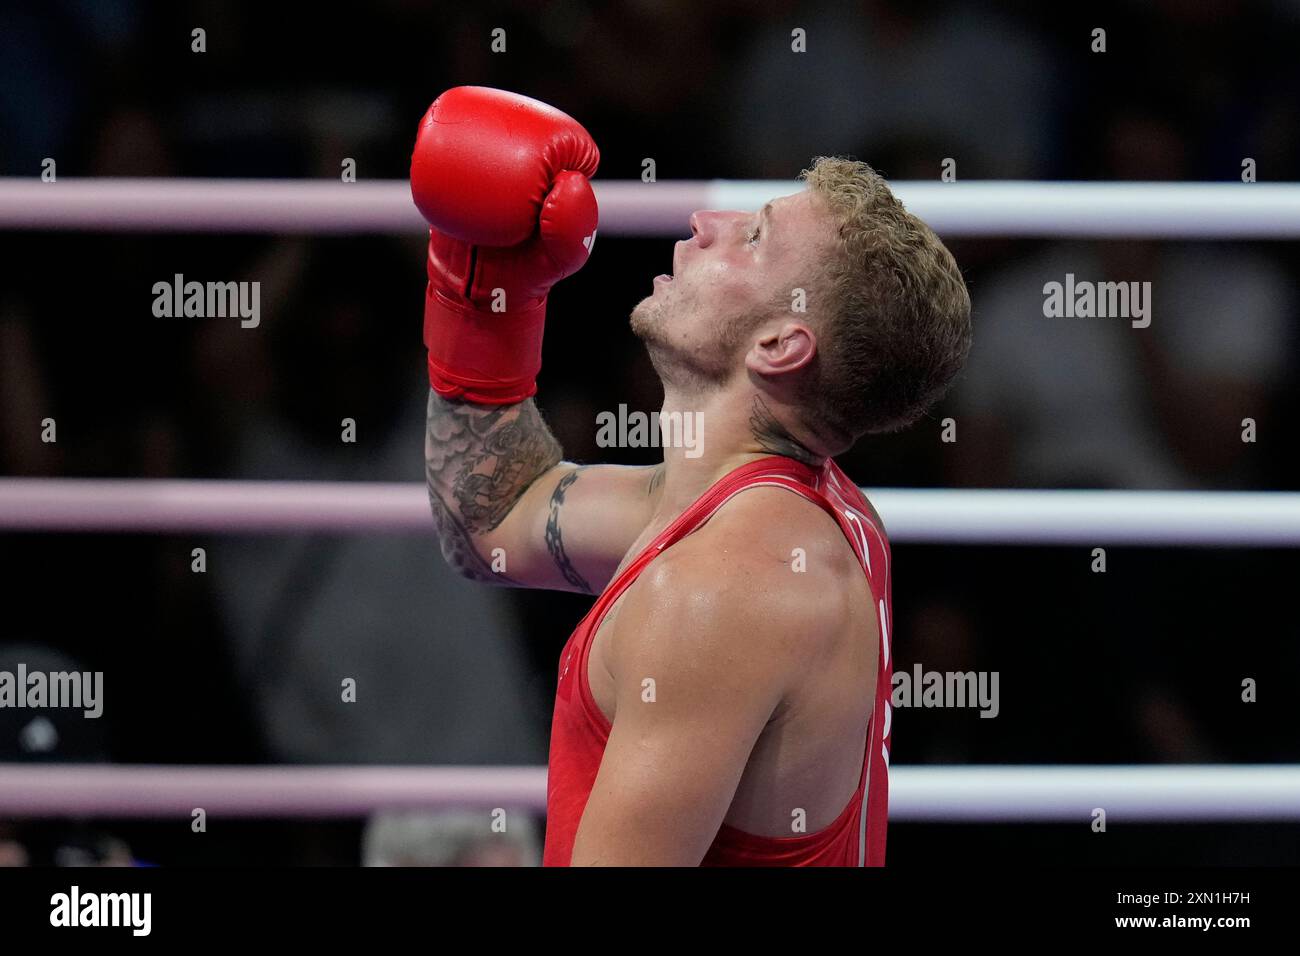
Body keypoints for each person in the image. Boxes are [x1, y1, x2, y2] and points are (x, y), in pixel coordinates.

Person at [413, 87, 971, 865]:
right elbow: (493, 522)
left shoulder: (722, 593)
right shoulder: (795, 520)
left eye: (751, 236)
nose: (702, 224)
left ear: (780, 344)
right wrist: (485, 298)